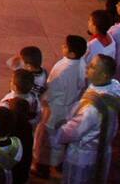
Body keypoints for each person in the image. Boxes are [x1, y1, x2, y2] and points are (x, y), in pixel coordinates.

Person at [42, 54, 120, 184]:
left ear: (104, 75)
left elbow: (73, 131)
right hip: (103, 151)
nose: (88, 66)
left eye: (94, 66)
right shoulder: (116, 88)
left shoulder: (91, 109)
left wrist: (56, 134)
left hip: (82, 157)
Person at [32, 35, 87, 174]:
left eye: (65, 46)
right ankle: (58, 163)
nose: (62, 46)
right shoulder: (81, 63)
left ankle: (42, 168)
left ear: (72, 53)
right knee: (61, 137)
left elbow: (52, 90)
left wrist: (42, 98)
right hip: (70, 106)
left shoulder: (63, 70)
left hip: (56, 108)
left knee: (48, 139)